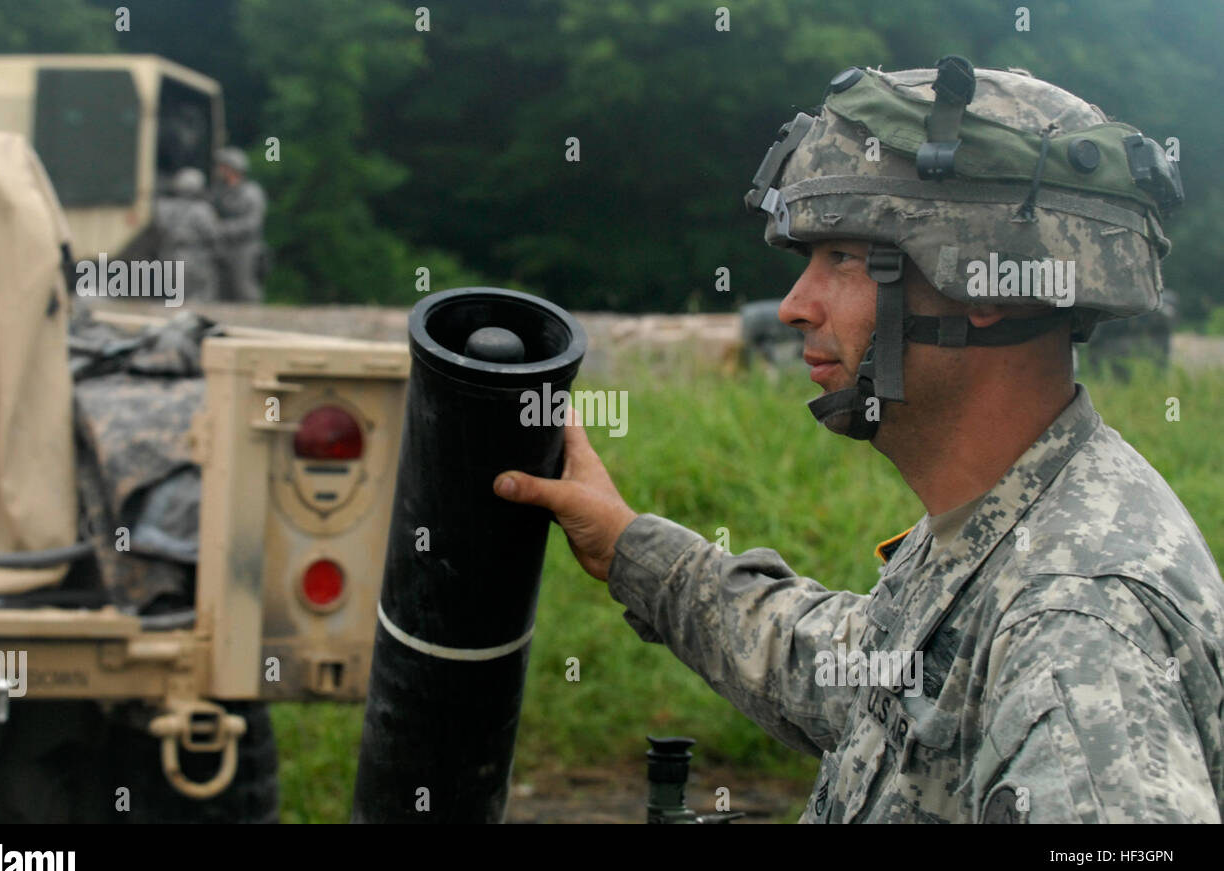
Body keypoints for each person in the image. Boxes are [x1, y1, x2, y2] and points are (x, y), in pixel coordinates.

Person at [494, 59, 1224, 823]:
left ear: (990, 286)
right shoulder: (1001, 522)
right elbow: (861, 681)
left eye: (842, 257)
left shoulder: (1079, 624)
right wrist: (627, 547)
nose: (793, 307)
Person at [154, 167, 219, 302]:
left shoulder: (162, 206)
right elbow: (212, 234)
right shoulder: (202, 209)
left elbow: (158, 229)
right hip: (194, 258)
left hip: (167, 256)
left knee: (171, 297)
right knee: (200, 297)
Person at [212, 147, 268, 302]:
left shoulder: (251, 192)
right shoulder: (220, 192)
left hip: (245, 248)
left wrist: (224, 228)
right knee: (221, 292)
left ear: (232, 169)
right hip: (223, 247)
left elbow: (253, 223)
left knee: (244, 290)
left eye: (223, 167)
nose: (220, 170)